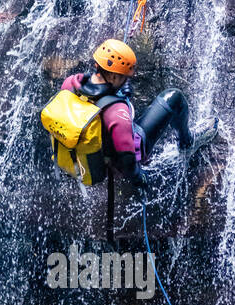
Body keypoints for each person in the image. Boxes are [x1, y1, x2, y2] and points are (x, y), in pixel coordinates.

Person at [59, 39, 196, 193]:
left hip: (83, 149)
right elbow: (128, 160)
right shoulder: (117, 112)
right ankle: (187, 142)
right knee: (174, 97)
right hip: (114, 162)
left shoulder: (70, 83)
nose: (127, 80)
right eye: (124, 76)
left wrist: (115, 91)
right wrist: (139, 177)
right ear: (113, 76)